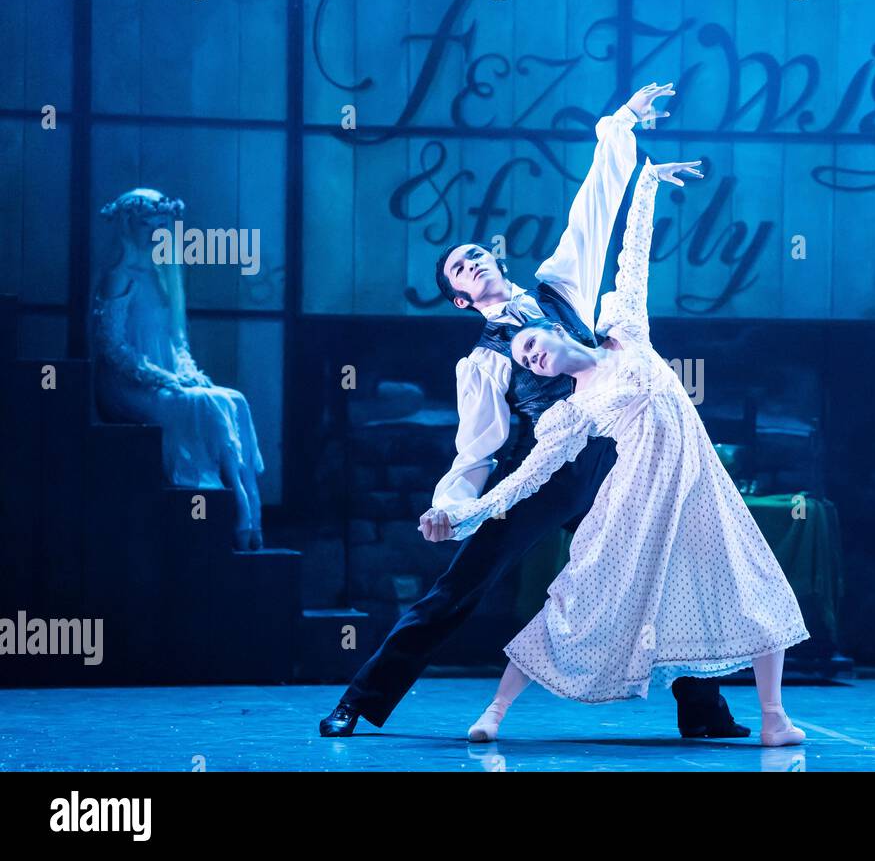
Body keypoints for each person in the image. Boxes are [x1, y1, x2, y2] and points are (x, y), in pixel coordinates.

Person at [320, 83, 748, 739]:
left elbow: (592, 209)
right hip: (548, 469)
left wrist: (623, 124)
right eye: (458, 268)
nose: (470, 261)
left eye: (474, 253)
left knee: (667, 566)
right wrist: (451, 506)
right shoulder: (483, 360)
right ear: (459, 299)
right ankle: (360, 699)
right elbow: (476, 450)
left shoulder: (558, 285)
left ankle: (704, 709)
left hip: (619, 455)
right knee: (465, 581)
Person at [436, 157, 810, 746]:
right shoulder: (571, 412)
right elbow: (524, 477)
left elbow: (632, 254)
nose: (533, 358)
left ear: (557, 331)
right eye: (527, 361)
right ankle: (495, 713)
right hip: (632, 501)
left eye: (533, 346)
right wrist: (461, 513)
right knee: (576, 598)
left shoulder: (625, 327)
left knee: (757, 589)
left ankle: (774, 720)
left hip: (700, 485)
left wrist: (648, 182)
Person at [94, 188, 264, 549]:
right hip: (127, 385)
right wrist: (164, 378)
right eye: (147, 224)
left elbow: (177, 340)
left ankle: (249, 507)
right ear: (128, 226)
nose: (156, 231)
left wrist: (187, 372)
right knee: (203, 403)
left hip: (166, 377)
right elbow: (111, 345)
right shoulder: (119, 275)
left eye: (161, 224)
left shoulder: (163, 275)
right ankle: (238, 509)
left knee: (234, 400)